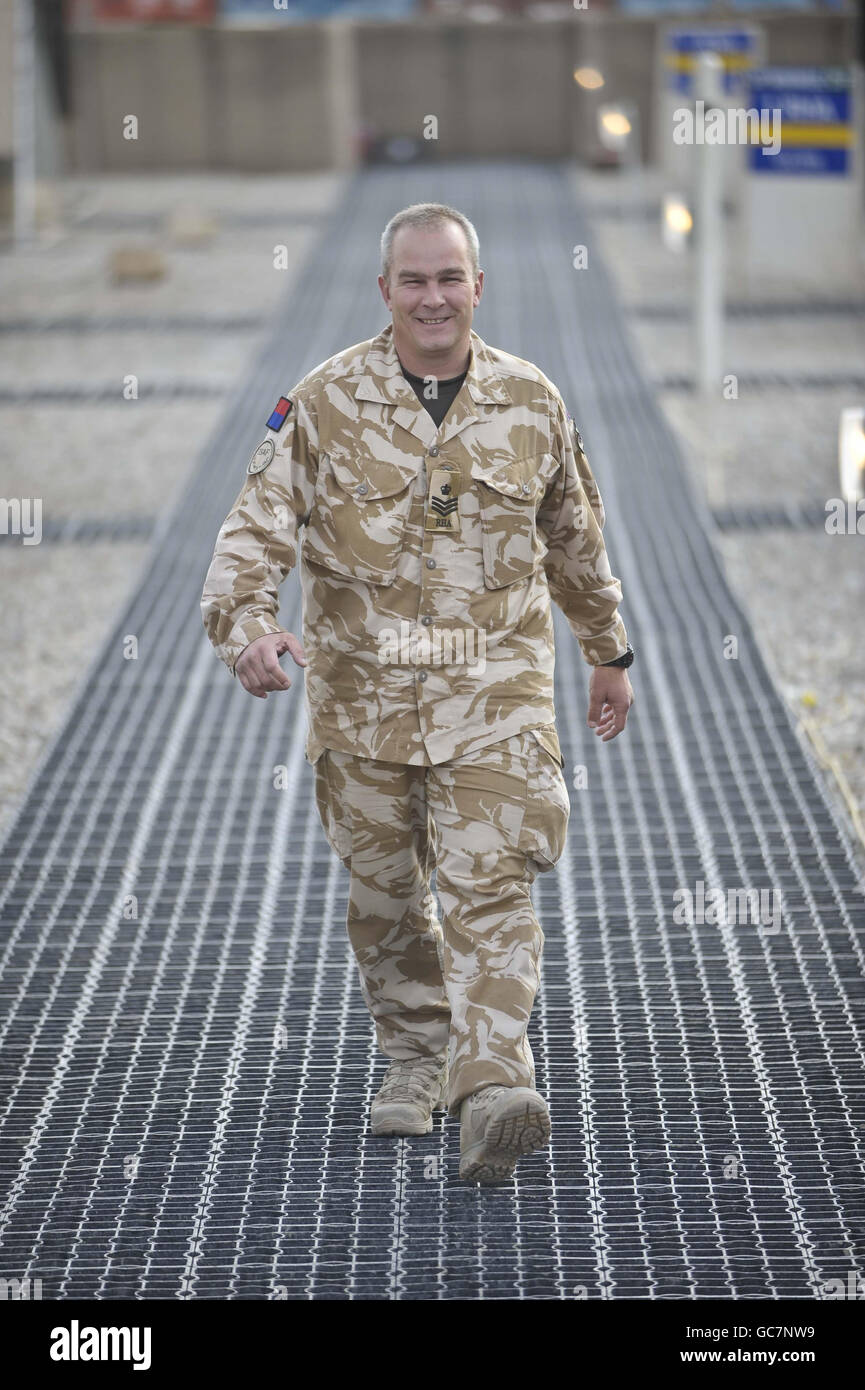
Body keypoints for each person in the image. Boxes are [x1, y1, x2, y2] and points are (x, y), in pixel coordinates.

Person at [200, 202, 634, 1184]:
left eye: (450, 278)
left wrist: (609, 648)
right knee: (387, 896)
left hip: (498, 694)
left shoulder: (531, 402)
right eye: (414, 279)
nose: (433, 297)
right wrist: (248, 631)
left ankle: (492, 1086)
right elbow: (251, 534)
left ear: (479, 286)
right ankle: (412, 1059)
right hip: (363, 699)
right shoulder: (319, 404)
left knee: (492, 884)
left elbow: (575, 539)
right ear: (384, 290)